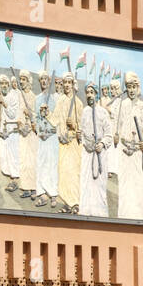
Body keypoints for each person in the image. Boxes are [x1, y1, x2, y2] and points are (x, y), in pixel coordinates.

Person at [115, 71, 143, 219]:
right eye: (128, 87)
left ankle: (140, 218)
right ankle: (124, 217)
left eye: (133, 86)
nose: (131, 90)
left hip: (138, 152)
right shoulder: (122, 105)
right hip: (124, 151)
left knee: (138, 186)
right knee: (125, 185)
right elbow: (117, 126)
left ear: (138, 88)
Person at [79, 82, 112, 217]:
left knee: (99, 184)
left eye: (92, 92)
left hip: (100, 154)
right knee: (85, 183)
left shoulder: (103, 112)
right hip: (87, 153)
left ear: (96, 94)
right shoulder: (85, 112)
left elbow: (109, 135)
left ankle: (100, 215)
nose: (89, 95)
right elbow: (81, 132)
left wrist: (102, 144)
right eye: (87, 92)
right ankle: (85, 212)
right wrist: (80, 137)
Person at [55, 74, 83, 213]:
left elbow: (83, 126)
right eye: (64, 82)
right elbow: (54, 119)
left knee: (73, 172)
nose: (66, 85)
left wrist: (74, 126)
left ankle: (76, 203)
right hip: (62, 142)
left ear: (73, 84)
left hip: (73, 143)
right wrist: (45, 114)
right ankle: (67, 203)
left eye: (69, 82)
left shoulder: (78, 103)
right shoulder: (60, 101)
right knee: (64, 172)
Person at [34, 71, 59, 208]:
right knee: (42, 163)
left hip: (52, 136)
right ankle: (42, 194)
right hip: (42, 136)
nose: (44, 81)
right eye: (41, 79)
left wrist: (48, 113)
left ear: (49, 81)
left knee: (52, 164)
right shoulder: (37, 99)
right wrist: (39, 130)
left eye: (46, 79)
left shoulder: (55, 99)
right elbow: (36, 118)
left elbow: (57, 119)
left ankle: (53, 194)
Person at [0, 73, 21, 192]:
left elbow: (12, 114)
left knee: (13, 155)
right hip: (3, 130)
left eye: (6, 83)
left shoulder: (13, 96)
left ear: (9, 85)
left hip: (12, 130)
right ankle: (10, 179)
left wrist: (4, 103)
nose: (4, 85)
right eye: (2, 84)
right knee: (4, 155)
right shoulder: (0, 96)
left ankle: (15, 180)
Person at [16, 69, 38, 200]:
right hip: (22, 132)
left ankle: (34, 187)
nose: (22, 82)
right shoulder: (20, 96)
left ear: (29, 81)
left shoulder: (34, 97)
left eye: (24, 79)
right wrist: (20, 123)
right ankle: (25, 187)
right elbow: (18, 111)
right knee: (23, 160)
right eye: (21, 79)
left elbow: (37, 115)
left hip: (31, 133)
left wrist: (30, 114)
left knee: (32, 160)